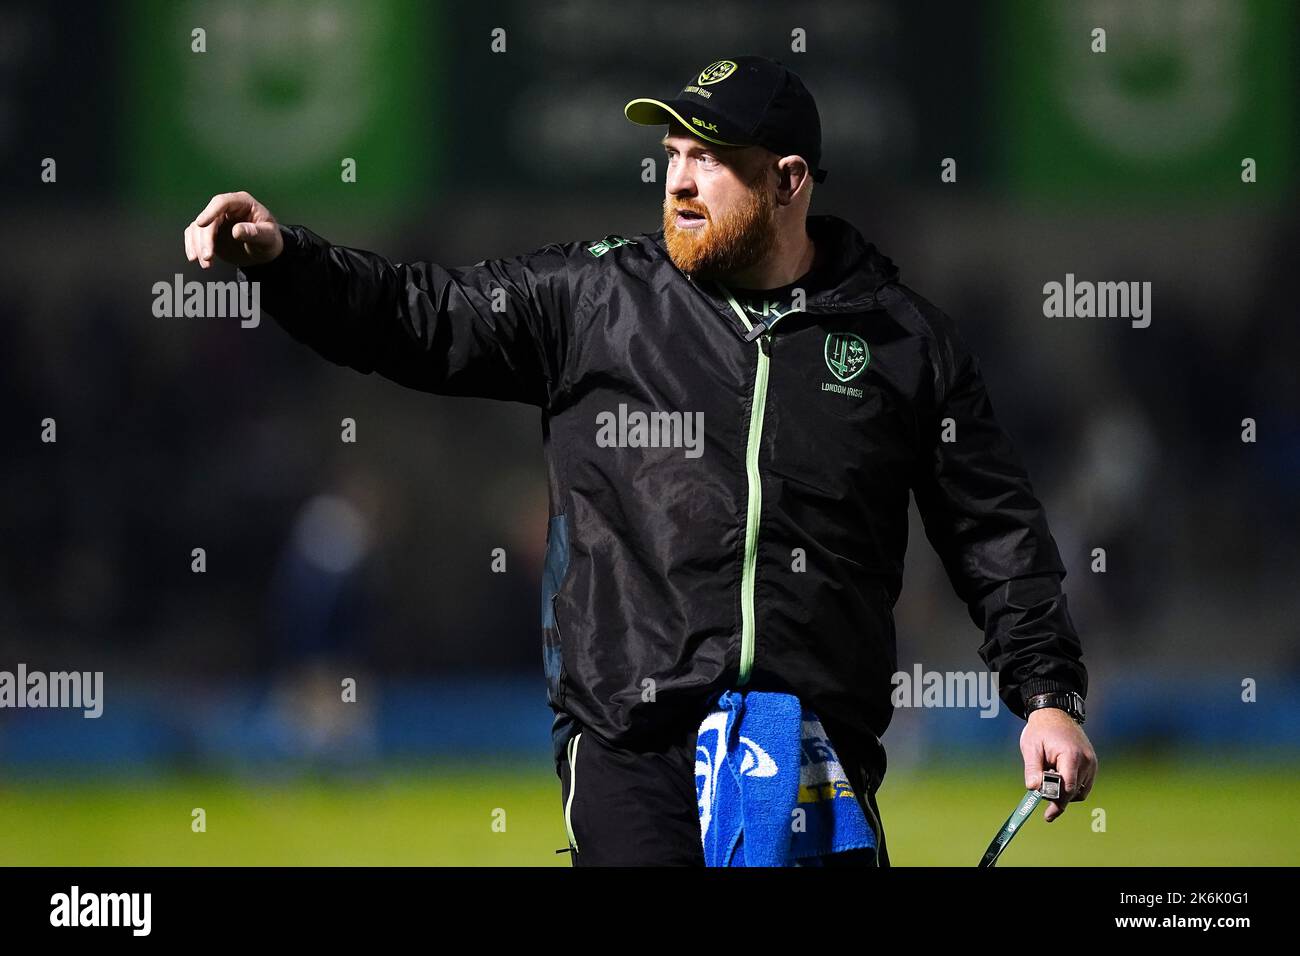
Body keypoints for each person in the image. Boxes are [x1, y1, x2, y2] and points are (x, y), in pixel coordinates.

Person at [182, 55, 1097, 866]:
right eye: (671, 157)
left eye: (709, 159)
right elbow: (416, 316)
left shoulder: (905, 343)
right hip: (630, 736)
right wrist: (284, 259)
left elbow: (996, 531)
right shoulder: (596, 301)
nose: (680, 183)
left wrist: (1047, 695)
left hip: (811, 738)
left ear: (788, 181)